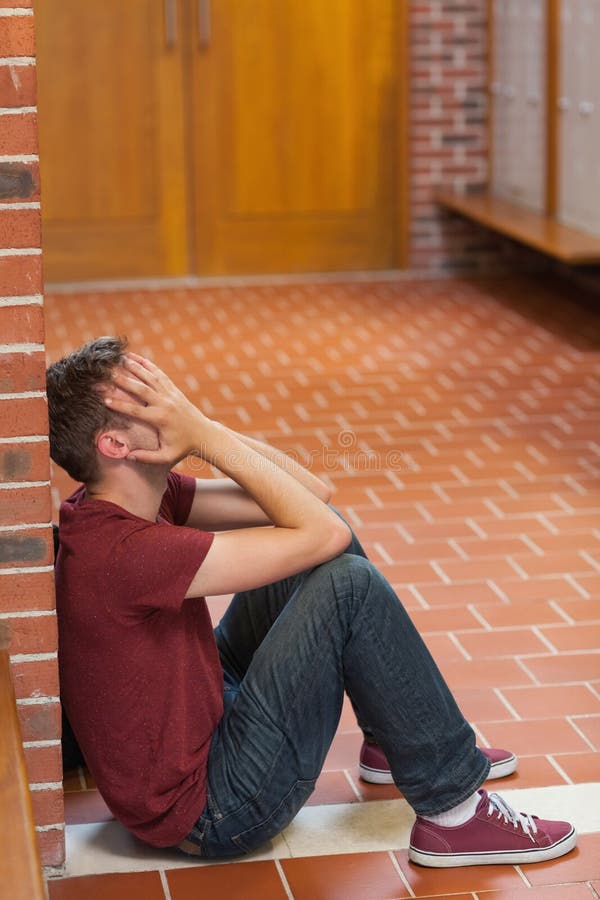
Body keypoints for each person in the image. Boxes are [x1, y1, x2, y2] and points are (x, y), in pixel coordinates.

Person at [46, 336, 577, 868]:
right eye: (147, 396)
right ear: (116, 444)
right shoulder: (123, 552)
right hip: (212, 805)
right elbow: (323, 533)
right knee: (347, 583)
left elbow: (311, 494)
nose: (170, 400)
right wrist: (200, 435)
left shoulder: (128, 500)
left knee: (318, 535)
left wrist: (202, 429)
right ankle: (455, 815)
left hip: (201, 705)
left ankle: (396, 741)